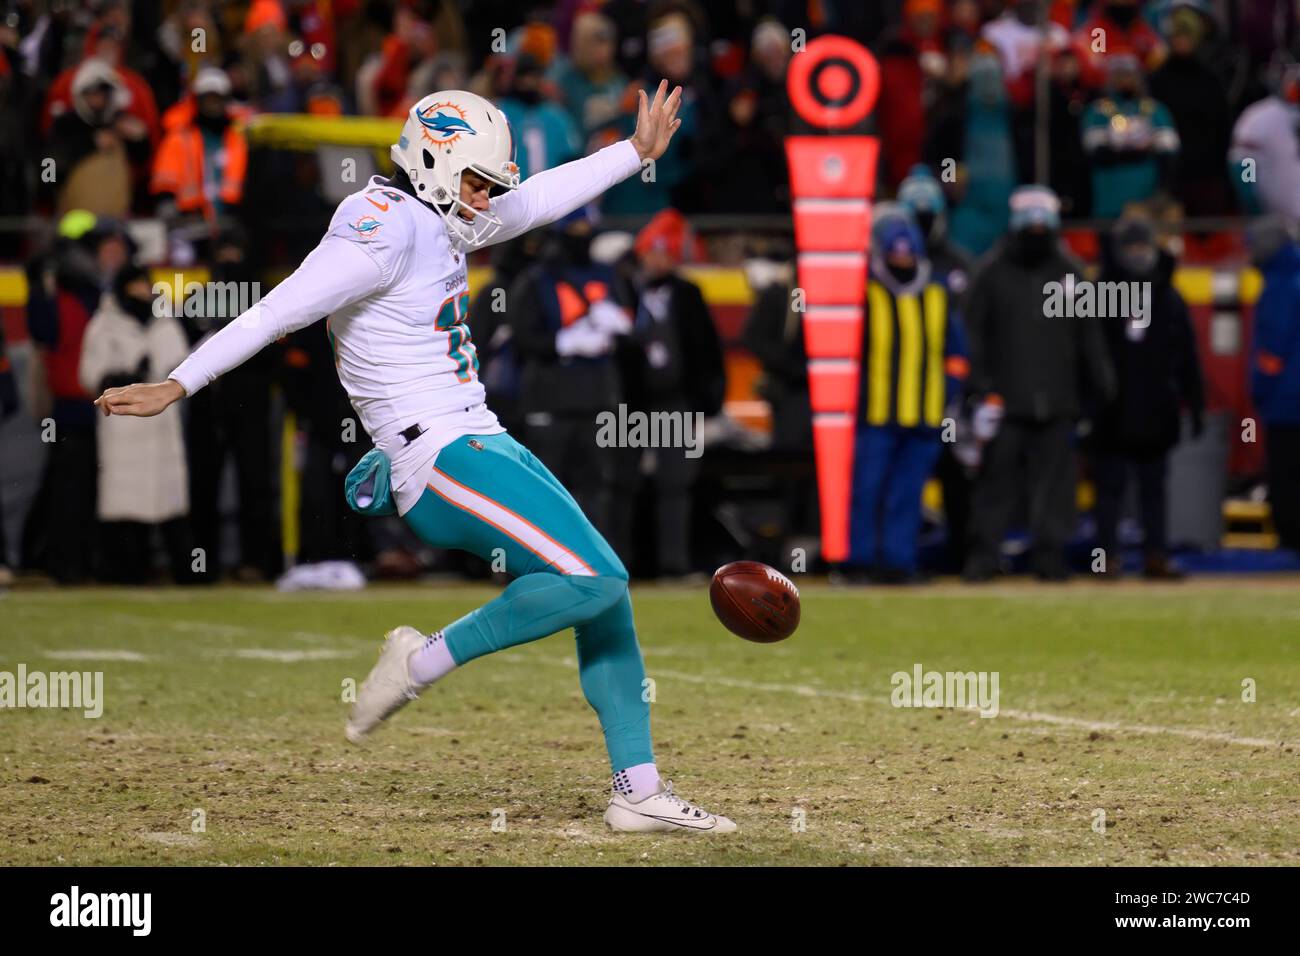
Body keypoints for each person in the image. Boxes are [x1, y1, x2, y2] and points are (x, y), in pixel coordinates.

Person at [93, 83, 736, 834]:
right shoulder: (379, 229)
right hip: (436, 456)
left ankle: (638, 788)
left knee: (606, 589)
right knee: (595, 576)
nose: (485, 197)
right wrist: (179, 381)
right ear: (432, 160)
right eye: (475, 180)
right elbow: (278, 310)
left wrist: (634, 153)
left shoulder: (437, 212)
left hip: (476, 436)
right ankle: (422, 660)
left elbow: (536, 202)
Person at [962, 186, 1116, 581]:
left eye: (1041, 222)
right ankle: (984, 556)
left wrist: (1101, 389)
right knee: (996, 485)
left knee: (1057, 488)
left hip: (1059, 400)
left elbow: (1089, 338)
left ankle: (1050, 556)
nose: (1035, 230)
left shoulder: (1072, 274)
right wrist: (980, 390)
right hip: (1005, 401)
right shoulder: (991, 274)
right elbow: (974, 338)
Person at [848, 205, 968, 583]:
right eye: (895, 252)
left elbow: (957, 354)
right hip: (875, 414)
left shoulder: (936, 291)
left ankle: (899, 563)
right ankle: (860, 562)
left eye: (907, 252)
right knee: (866, 491)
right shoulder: (863, 291)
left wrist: (947, 393)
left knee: (907, 494)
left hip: (924, 414)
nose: (902, 259)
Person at [1091, 215, 1204, 579]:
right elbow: (1083, 354)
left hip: (1156, 409)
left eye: (1144, 247)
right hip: (1111, 411)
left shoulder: (1169, 297)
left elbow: (1187, 353)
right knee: (1109, 490)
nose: (1139, 255)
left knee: (1154, 491)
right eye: (1132, 247)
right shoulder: (1099, 296)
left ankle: (1155, 556)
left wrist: (1194, 401)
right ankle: (1106, 559)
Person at [79, 262, 193, 584]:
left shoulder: (164, 321)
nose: (142, 291)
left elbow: (182, 362)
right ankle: (124, 573)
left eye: (145, 284)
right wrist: (119, 376)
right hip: (122, 421)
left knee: (168, 502)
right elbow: (89, 373)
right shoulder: (104, 323)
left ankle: (182, 572)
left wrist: (153, 369)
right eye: (135, 285)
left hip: (160, 422)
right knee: (124, 504)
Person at [1248, 216, 1300, 553]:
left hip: (1287, 403)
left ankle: (1290, 542)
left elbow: (1272, 350)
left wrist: (1259, 389)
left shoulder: (1281, 285)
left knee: (1286, 478)